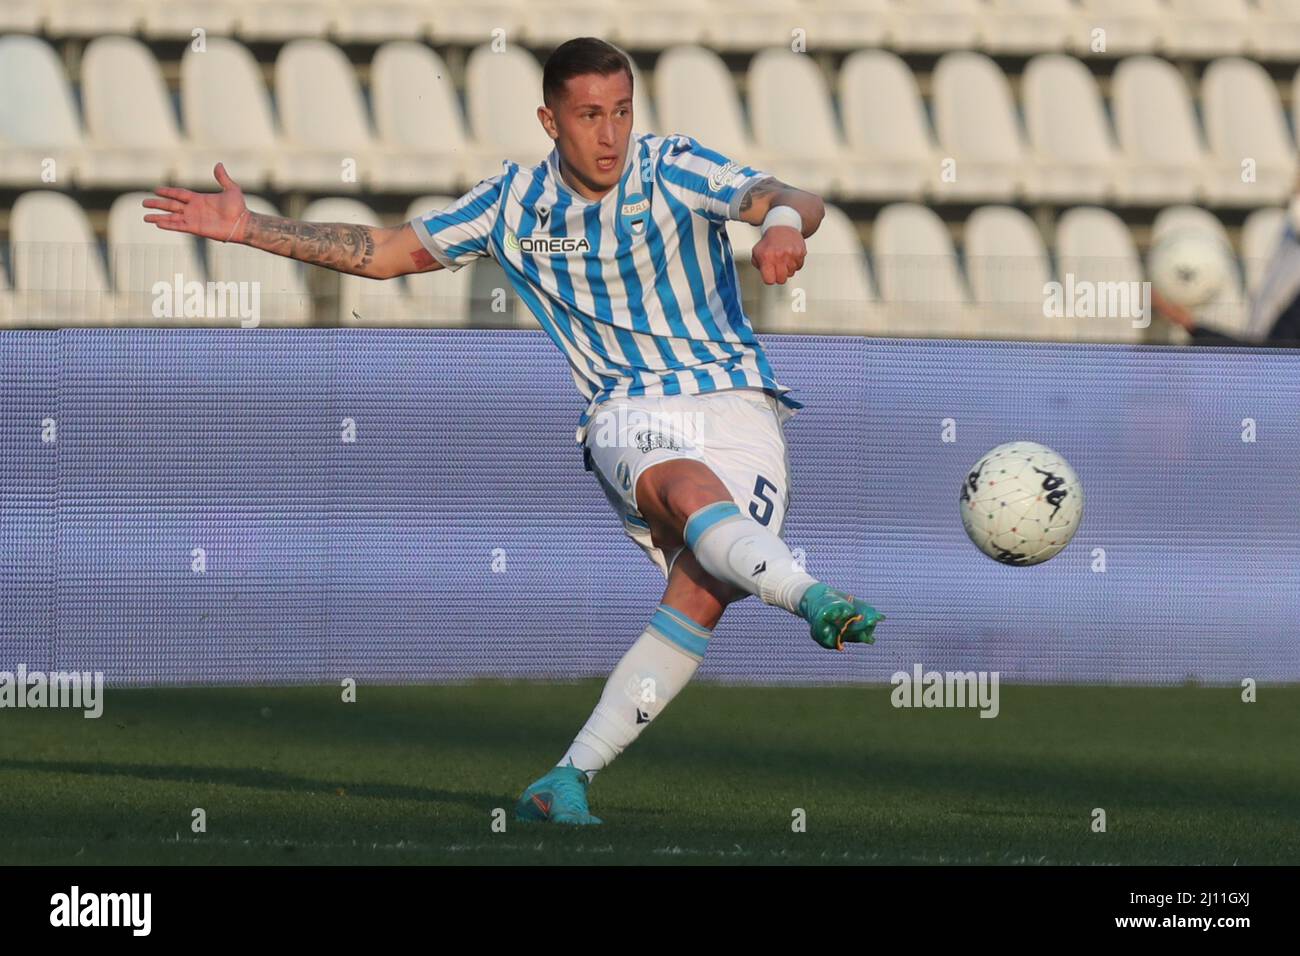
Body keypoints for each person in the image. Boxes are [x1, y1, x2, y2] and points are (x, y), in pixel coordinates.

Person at [143, 37, 884, 826]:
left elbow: (794, 194)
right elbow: (388, 252)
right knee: (685, 491)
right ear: (549, 120)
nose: (610, 134)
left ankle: (564, 780)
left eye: (621, 112)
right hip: (627, 409)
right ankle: (810, 595)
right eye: (590, 116)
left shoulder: (671, 167)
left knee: (707, 586)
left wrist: (778, 226)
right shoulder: (511, 204)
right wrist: (252, 227)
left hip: (739, 402)